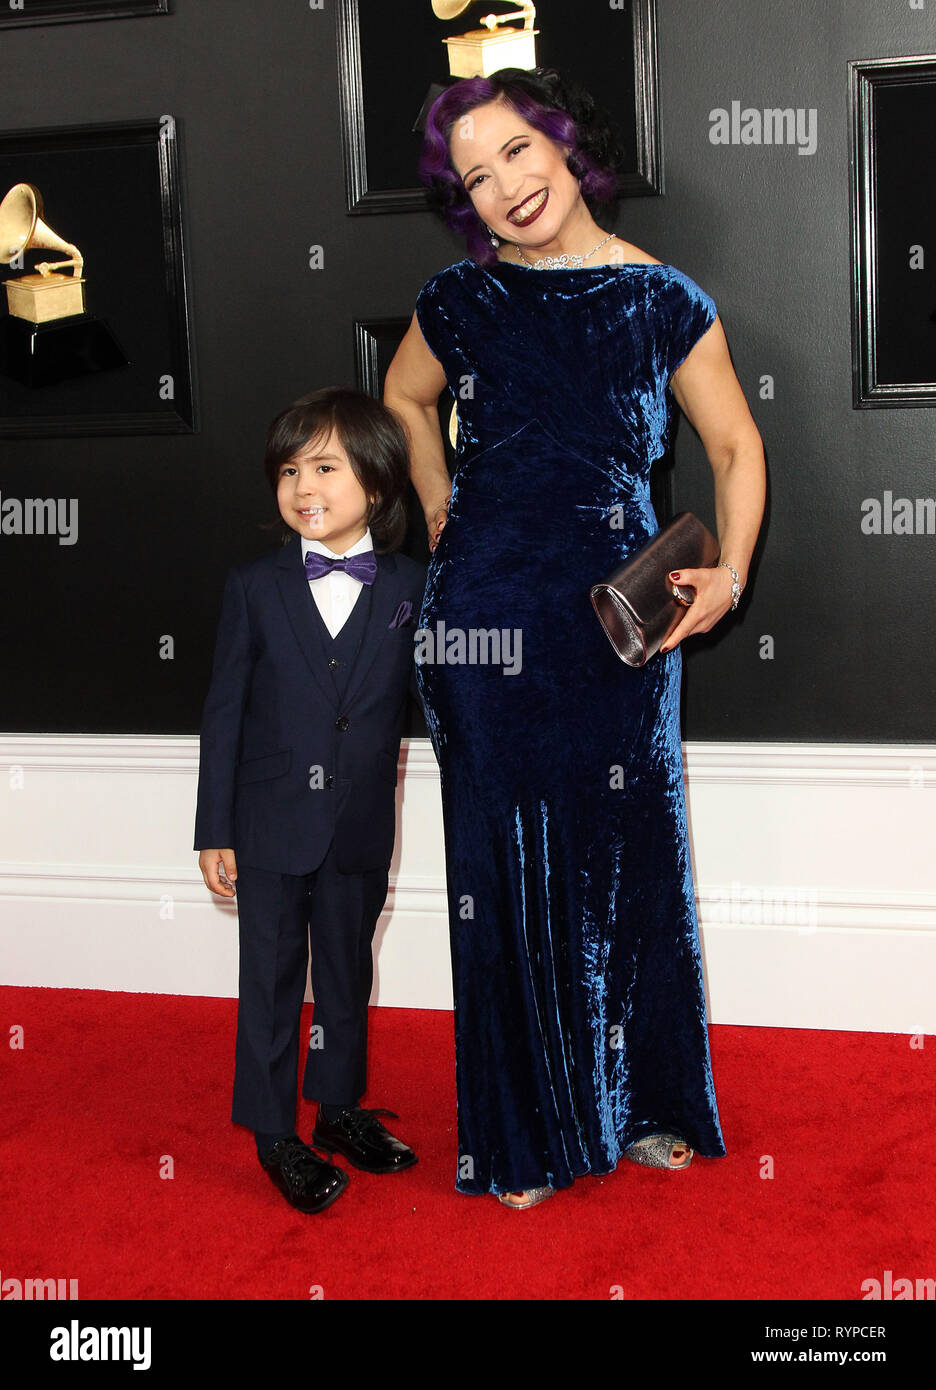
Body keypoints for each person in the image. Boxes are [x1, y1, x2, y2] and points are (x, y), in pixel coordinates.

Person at [383, 68, 766, 1209]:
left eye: (516, 152)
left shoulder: (664, 301)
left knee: (635, 846)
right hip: (481, 624)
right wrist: (443, 499)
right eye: (476, 176)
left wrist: (730, 574)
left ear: (564, 142)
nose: (504, 186)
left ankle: (646, 1104)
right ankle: (528, 1134)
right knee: (503, 868)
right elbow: (405, 399)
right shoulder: (457, 300)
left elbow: (737, 450)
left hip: (619, 622)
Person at [194, 386, 427, 1214]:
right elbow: (222, 712)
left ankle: (336, 1111)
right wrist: (212, 826)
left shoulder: (410, 587)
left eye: (325, 466)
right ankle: (272, 1135)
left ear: (378, 481)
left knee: (344, 974)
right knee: (268, 981)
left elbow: (440, 695)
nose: (303, 486)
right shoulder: (254, 587)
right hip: (265, 825)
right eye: (289, 469)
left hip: (360, 825)